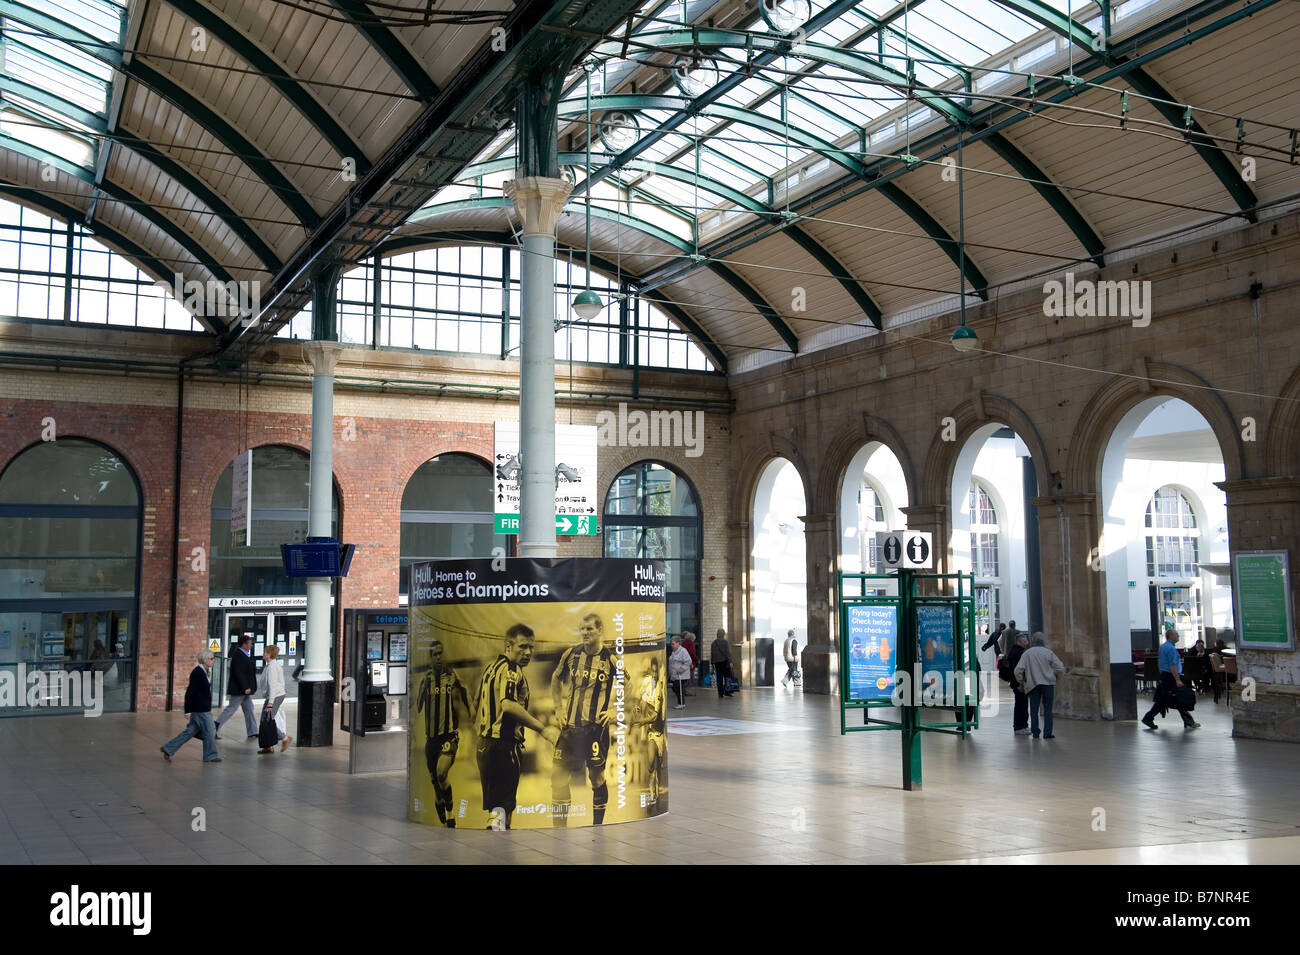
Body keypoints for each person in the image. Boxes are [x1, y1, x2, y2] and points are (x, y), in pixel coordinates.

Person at [475, 624, 557, 830]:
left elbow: (477, 703)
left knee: (496, 809)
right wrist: (543, 729)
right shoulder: (512, 670)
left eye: (531, 647)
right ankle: (500, 853)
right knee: (503, 811)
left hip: (484, 746)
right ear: (508, 646)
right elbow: (508, 704)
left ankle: (495, 850)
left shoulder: (491, 669)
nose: (528, 652)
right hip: (503, 746)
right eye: (522, 647)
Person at [550, 613, 618, 827]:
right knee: (557, 777)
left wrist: (615, 709)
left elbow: (628, 684)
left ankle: (597, 826)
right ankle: (559, 828)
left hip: (595, 729)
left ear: (600, 630)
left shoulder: (610, 659)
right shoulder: (571, 654)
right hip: (569, 728)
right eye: (582, 629)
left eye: (589, 629)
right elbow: (555, 678)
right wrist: (558, 707)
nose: (585, 633)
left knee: (596, 777)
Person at [416, 639, 471, 827]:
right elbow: (417, 707)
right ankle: (439, 800)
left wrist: (472, 713)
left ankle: (451, 813)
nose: (439, 657)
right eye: (435, 654)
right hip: (431, 739)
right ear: (430, 657)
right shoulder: (427, 678)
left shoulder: (451, 674)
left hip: (449, 736)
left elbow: (464, 691)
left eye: (441, 653)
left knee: (441, 774)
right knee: (434, 780)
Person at [161, 650, 221, 763]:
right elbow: (190, 692)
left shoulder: (205, 671)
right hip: (200, 709)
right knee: (210, 731)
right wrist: (187, 710)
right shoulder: (197, 673)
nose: (213, 661)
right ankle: (210, 755)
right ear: (205, 659)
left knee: (190, 732)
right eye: (211, 659)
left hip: (202, 708)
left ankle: (168, 749)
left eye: (213, 658)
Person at [1142, 628, 1201, 731]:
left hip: (1165, 676)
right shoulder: (1171, 649)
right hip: (1171, 677)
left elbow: (1160, 662)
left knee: (1172, 699)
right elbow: (1172, 665)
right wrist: (1177, 679)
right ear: (1171, 636)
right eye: (1177, 634)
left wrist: (1162, 675)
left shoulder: (1163, 647)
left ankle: (1189, 721)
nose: (1178, 636)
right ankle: (1148, 718)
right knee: (1173, 698)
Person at [1014, 633, 1065, 739]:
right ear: (1043, 641)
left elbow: (1018, 670)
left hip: (1033, 684)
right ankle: (1048, 733)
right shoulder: (1048, 652)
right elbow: (1060, 667)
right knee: (1048, 709)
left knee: (1033, 709)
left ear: (1033, 641)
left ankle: (1035, 732)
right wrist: (1053, 674)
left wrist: (1022, 682)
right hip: (1048, 684)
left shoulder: (1027, 653)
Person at [214, 634, 258, 740]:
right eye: (250, 644)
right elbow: (239, 673)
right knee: (230, 710)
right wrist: (245, 687)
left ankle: (253, 731)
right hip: (240, 690)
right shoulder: (238, 655)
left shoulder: (244, 654)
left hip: (244, 690)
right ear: (244, 644)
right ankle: (213, 729)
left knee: (249, 709)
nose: (251, 645)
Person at [636, 658, 667, 804]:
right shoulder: (648, 683)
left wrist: (641, 721)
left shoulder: (660, 689)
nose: (654, 674)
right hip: (651, 734)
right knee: (650, 764)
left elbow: (655, 715)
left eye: (656, 672)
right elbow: (641, 698)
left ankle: (657, 794)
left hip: (660, 733)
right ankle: (651, 792)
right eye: (652, 671)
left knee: (659, 767)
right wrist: (637, 706)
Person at [256, 645, 291, 754]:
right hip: (274, 695)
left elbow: (273, 685)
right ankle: (268, 746)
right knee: (265, 720)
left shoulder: (272, 667)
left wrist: (270, 702)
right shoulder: (270, 666)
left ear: (269, 654)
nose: (263, 654)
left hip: (274, 696)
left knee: (267, 720)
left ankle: (284, 738)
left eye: (265, 652)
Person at [1002, 633, 1031, 735]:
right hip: (1018, 684)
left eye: (1026, 641)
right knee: (1021, 705)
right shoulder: (1017, 653)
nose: (1026, 643)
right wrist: (1020, 684)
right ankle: (1019, 727)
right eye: (1024, 641)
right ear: (1019, 642)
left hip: (1017, 683)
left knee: (1022, 704)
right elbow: (1016, 670)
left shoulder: (1015, 651)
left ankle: (1023, 725)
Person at [667, 635, 691, 710]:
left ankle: (681, 703)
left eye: (673, 644)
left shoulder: (683, 651)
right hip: (675, 674)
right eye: (671, 644)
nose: (672, 645)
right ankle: (680, 702)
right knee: (675, 688)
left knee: (678, 687)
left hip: (682, 674)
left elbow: (688, 661)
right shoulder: (674, 652)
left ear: (678, 643)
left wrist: (681, 669)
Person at [710, 627, 734, 699]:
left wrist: (712, 663)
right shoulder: (725, 642)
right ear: (723, 634)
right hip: (725, 662)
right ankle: (727, 691)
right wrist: (730, 662)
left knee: (719, 678)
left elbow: (712, 654)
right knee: (728, 677)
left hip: (717, 663)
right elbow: (727, 653)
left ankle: (720, 693)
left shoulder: (713, 643)